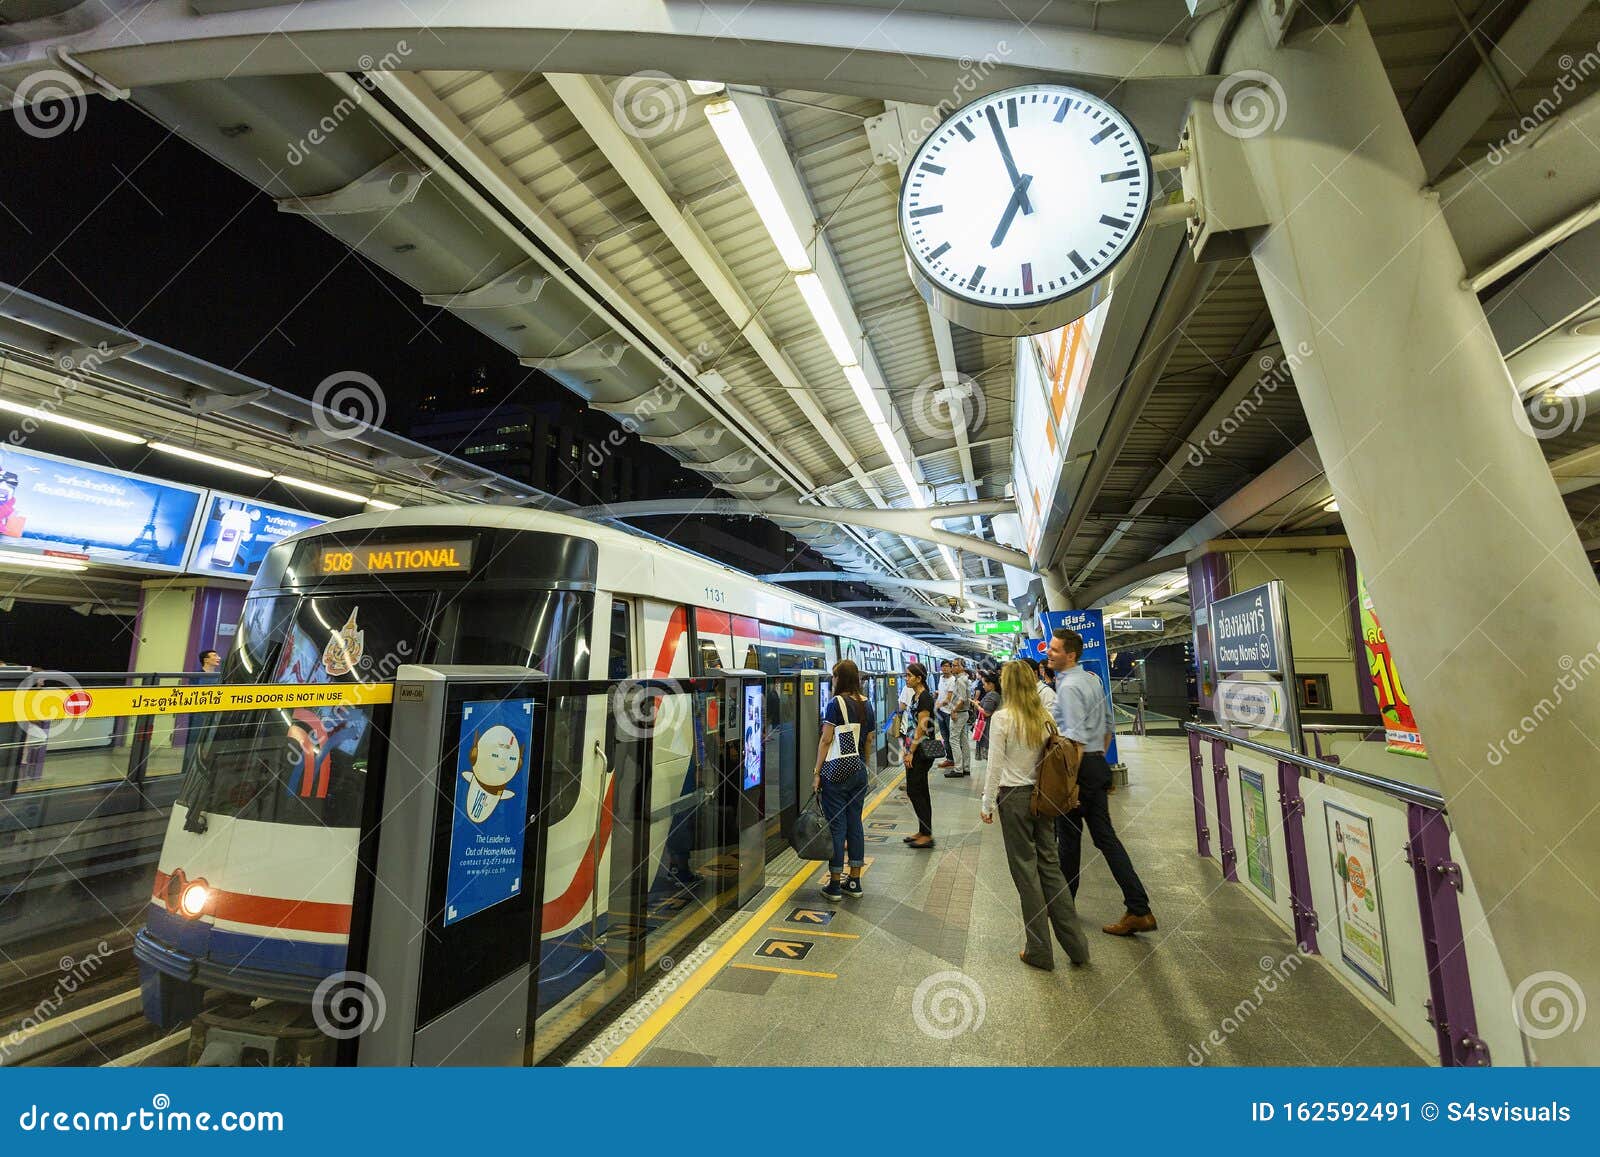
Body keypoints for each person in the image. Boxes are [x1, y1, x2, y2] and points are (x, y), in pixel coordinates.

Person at [980, 661, 1090, 970]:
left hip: (1014, 800)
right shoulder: (1044, 717)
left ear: (1007, 686)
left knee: (1026, 874)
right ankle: (1077, 947)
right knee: (1051, 868)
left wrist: (987, 804)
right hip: (1044, 800)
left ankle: (1040, 951)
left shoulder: (1001, 719)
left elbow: (995, 766)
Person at [1048, 628, 1156, 935]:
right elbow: (1108, 726)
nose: (1049, 653)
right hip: (1096, 763)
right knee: (1104, 838)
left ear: (1070, 655)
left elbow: (1075, 740)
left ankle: (1066, 906)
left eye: (1055, 650)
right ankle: (1138, 908)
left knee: (1069, 841)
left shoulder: (1068, 687)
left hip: (1079, 769)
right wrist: (1101, 767)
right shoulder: (1092, 680)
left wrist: (1070, 782)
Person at [813, 659, 875, 901]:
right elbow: (869, 739)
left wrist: (817, 772)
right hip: (858, 769)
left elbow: (826, 740)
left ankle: (835, 885)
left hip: (836, 772)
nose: (832, 680)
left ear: (840, 678)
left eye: (834, 676)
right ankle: (855, 882)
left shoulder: (834, 703)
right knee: (855, 825)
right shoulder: (866, 704)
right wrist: (864, 765)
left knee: (837, 827)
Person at [900, 662, 937, 848]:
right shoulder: (916, 696)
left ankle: (927, 835)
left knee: (915, 790)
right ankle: (923, 831)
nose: (906, 678)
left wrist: (911, 752)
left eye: (908, 675)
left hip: (921, 751)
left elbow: (922, 728)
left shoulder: (925, 698)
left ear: (919, 678)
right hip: (914, 748)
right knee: (920, 790)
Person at [944, 659, 973, 778]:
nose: (953, 668)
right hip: (963, 713)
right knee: (964, 741)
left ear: (962, 667)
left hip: (959, 713)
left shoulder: (960, 680)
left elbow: (962, 699)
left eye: (955, 666)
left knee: (953, 740)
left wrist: (954, 710)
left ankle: (958, 769)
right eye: (953, 665)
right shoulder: (964, 679)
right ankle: (965, 767)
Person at [974, 670, 1001, 760]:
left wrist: (977, 706)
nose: (983, 686)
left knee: (990, 756)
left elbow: (986, 712)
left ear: (991, 684)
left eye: (984, 684)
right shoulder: (995, 694)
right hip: (991, 725)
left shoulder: (991, 695)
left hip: (989, 726)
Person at [934, 659, 954, 768]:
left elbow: (949, 699)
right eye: (943, 666)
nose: (945, 668)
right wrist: (937, 694)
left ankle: (953, 759)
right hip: (941, 712)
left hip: (949, 712)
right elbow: (942, 694)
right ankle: (949, 759)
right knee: (945, 737)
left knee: (951, 737)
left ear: (951, 668)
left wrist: (938, 705)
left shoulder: (953, 680)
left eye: (947, 666)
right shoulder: (941, 678)